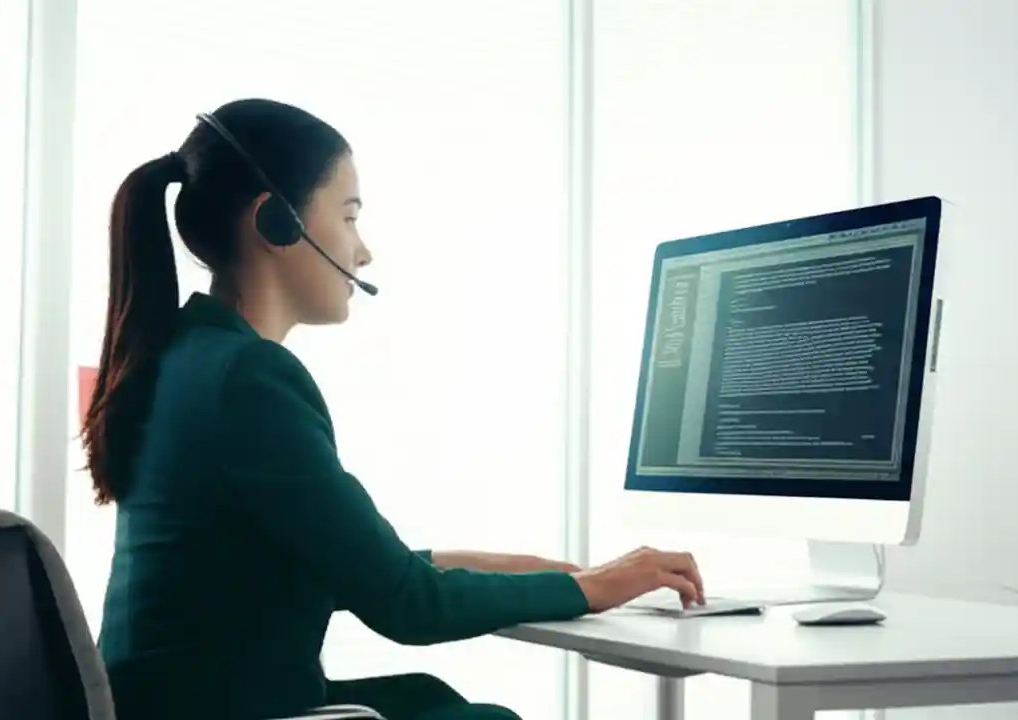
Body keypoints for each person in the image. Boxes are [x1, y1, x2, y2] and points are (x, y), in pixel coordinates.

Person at [85, 98, 706, 720]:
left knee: (425, 700)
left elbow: (336, 563)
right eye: (349, 217)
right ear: (275, 222)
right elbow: (408, 606)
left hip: (183, 704)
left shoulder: (187, 355)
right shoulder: (246, 378)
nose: (363, 251)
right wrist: (593, 589)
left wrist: (545, 575)